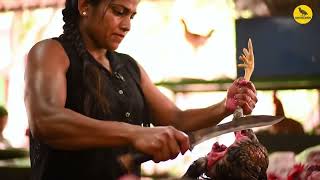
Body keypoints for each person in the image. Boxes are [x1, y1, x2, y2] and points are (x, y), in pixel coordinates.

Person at [24, 0, 258, 179]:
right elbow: (45, 120)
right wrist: (135, 134)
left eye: (132, 16)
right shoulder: (51, 53)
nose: (126, 26)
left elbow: (177, 118)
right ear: (84, 6)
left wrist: (225, 106)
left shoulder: (129, 67)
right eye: (119, 11)